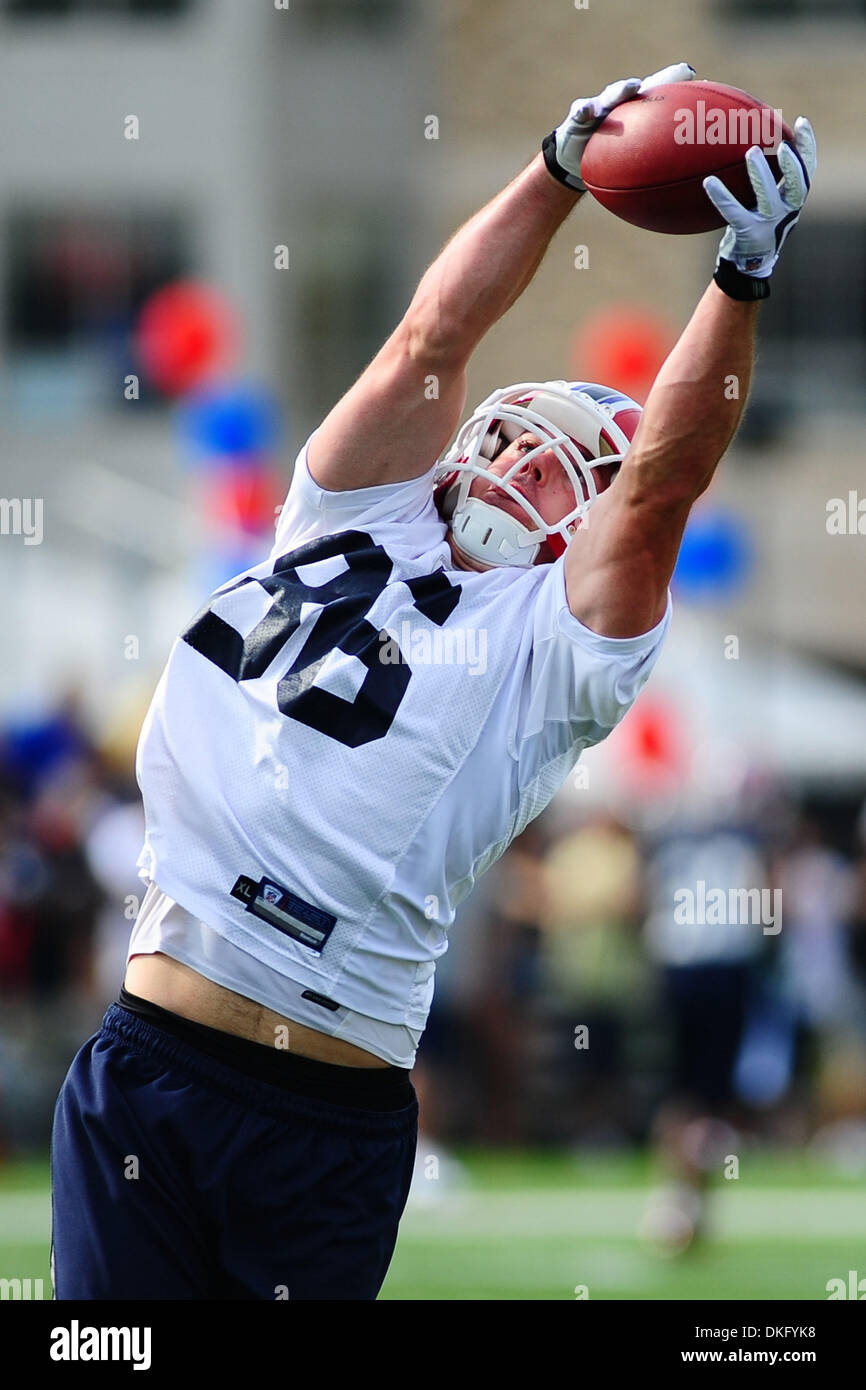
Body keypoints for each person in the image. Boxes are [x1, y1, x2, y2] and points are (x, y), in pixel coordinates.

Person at [49, 61, 816, 1300]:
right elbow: (434, 332)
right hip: (146, 1059)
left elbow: (665, 479)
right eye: (512, 432)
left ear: (593, 518)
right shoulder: (341, 511)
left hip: (322, 1105)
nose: (519, 459)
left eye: (564, 466)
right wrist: (556, 169)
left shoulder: (553, 649)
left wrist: (739, 276)